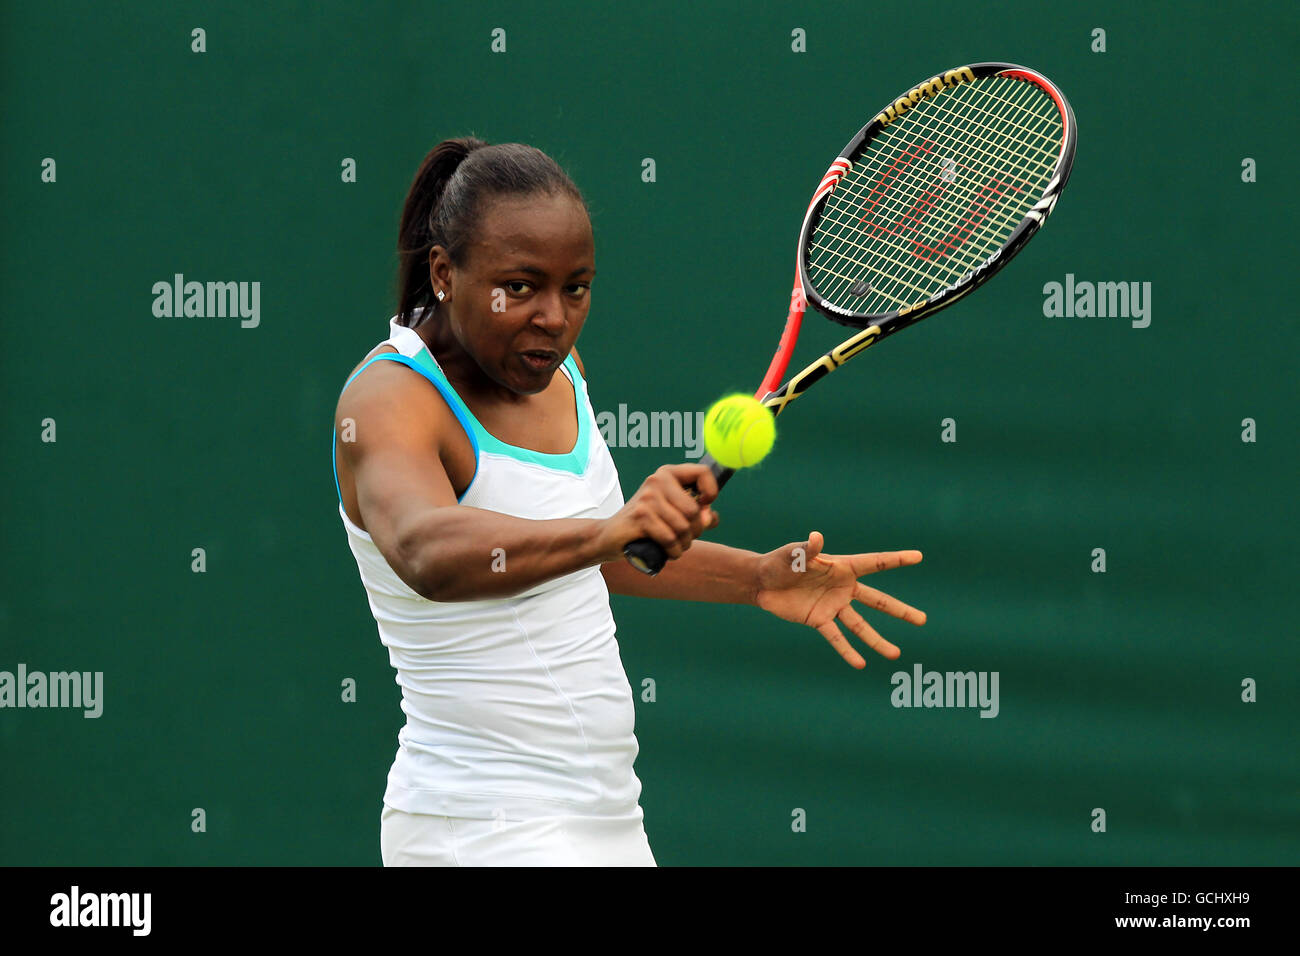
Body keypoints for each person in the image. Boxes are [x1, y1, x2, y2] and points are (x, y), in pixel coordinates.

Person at [331, 137, 927, 866]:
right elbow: (423, 548)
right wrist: (605, 533)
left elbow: (606, 558)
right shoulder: (391, 400)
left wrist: (755, 578)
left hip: (605, 820)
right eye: (519, 288)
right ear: (444, 274)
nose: (553, 316)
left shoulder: (559, 373)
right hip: (480, 828)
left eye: (574, 288)